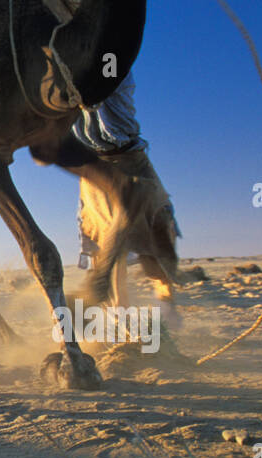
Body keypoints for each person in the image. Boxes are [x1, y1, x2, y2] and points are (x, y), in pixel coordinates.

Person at [73, 72, 181, 302]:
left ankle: (168, 311)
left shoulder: (113, 66)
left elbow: (95, 93)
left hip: (130, 161)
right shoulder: (65, 72)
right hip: (95, 171)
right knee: (107, 249)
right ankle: (121, 320)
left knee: (155, 243)